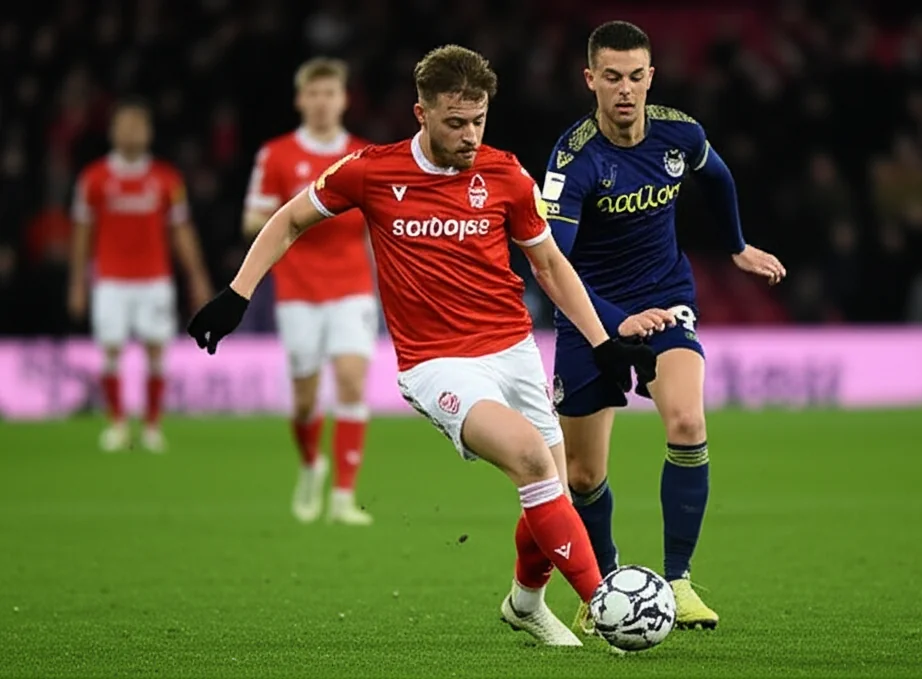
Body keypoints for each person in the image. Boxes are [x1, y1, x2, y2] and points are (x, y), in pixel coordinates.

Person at [186, 44, 665, 646]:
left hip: (513, 350)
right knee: (532, 459)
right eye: (455, 122)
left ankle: (524, 604)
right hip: (437, 363)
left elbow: (548, 265)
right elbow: (287, 220)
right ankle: (608, 602)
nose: (469, 136)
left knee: (554, 484)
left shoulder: (506, 174)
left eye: (478, 121)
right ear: (422, 113)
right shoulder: (371, 171)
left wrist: (601, 342)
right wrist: (237, 294)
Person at [540, 21, 787, 632]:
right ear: (590, 79)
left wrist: (734, 246)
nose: (625, 90)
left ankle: (678, 580)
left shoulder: (680, 133)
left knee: (687, 420)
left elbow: (719, 178)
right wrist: (617, 320)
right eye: (612, 78)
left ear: (651, 77)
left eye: (636, 77)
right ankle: (602, 586)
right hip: (589, 313)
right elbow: (555, 266)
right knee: (583, 474)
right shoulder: (572, 161)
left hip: (665, 297)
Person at [243, 58, 376, 525]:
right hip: (297, 289)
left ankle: (342, 496)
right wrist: (303, 213)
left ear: (343, 99)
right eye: (313, 94)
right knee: (304, 398)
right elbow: (253, 220)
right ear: (301, 100)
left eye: (330, 93)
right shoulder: (276, 155)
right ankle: (309, 465)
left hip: (353, 286)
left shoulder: (364, 157)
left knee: (351, 380)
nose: (322, 102)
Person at [68, 97, 213, 453]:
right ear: (113, 131)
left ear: (148, 132)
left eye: (139, 125)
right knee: (111, 349)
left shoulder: (166, 180)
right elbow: (82, 233)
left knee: (156, 350)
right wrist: (77, 282)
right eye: (125, 125)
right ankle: (117, 424)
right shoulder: (94, 179)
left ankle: (151, 426)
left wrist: (197, 277)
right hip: (111, 280)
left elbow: (181, 231)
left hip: (154, 279)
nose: (132, 131)